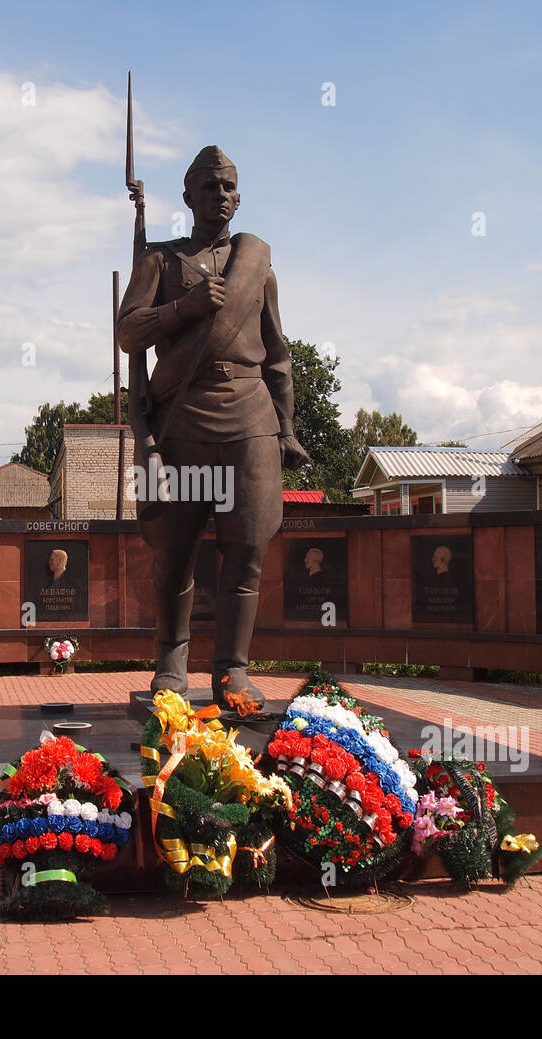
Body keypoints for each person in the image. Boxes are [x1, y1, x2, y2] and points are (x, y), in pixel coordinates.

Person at [118, 145, 308, 710]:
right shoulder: (160, 261)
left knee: (245, 549)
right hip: (182, 422)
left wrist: (287, 426)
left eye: (227, 187)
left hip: (250, 419)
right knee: (174, 553)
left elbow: (277, 354)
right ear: (187, 197)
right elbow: (129, 334)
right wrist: (186, 308)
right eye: (208, 186)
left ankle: (233, 673)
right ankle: (171, 668)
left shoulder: (259, 269)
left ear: (239, 198)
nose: (219, 195)